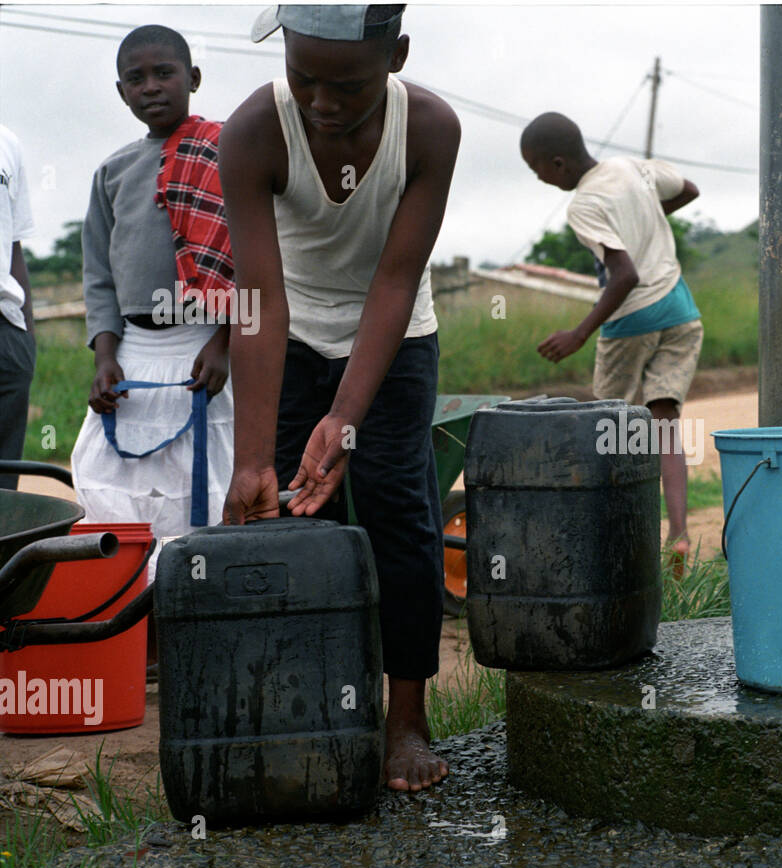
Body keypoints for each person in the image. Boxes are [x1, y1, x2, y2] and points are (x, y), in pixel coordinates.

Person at [219, 4, 460, 791]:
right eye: (303, 76)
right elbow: (258, 295)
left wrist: (346, 417)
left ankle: (406, 718)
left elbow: (395, 280)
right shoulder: (256, 130)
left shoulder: (428, 130)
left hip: (394, 338)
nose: (321, 102)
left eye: (346, 85)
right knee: (281, 518)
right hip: (284, 334)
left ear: (396, 55)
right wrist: (252, 456)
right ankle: (300, 710)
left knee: (400, 514)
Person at [71, 25, 234, 545]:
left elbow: (252, 260)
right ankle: (137, 607)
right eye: (135, 79)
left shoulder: (229, 154)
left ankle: (196, 598)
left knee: (206, 489)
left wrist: (223, 342)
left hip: (204, 349)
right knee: (116, 488)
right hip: (134, 355)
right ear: (121, 92)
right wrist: (105, 357)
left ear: (194, 78)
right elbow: (99, 277)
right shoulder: (111, 172)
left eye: (164, 73)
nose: (151, 87)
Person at [520, 112, 702, 575]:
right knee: (663, 424)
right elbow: (688, 190)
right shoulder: (632, 168)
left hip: (632, 319)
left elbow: (625, 275)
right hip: (681, 310)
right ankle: (677, 534)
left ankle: (613, 543)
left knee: (610, 430)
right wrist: (643, 222)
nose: (538, 179)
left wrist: (578, 334)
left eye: (536, 169)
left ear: (557, 163)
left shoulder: (583, 205)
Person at [0, 125, 36, 492]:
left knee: (3, 489)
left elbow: (13, 246)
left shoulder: (7, 143)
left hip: (6, 332)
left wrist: (27, 341)